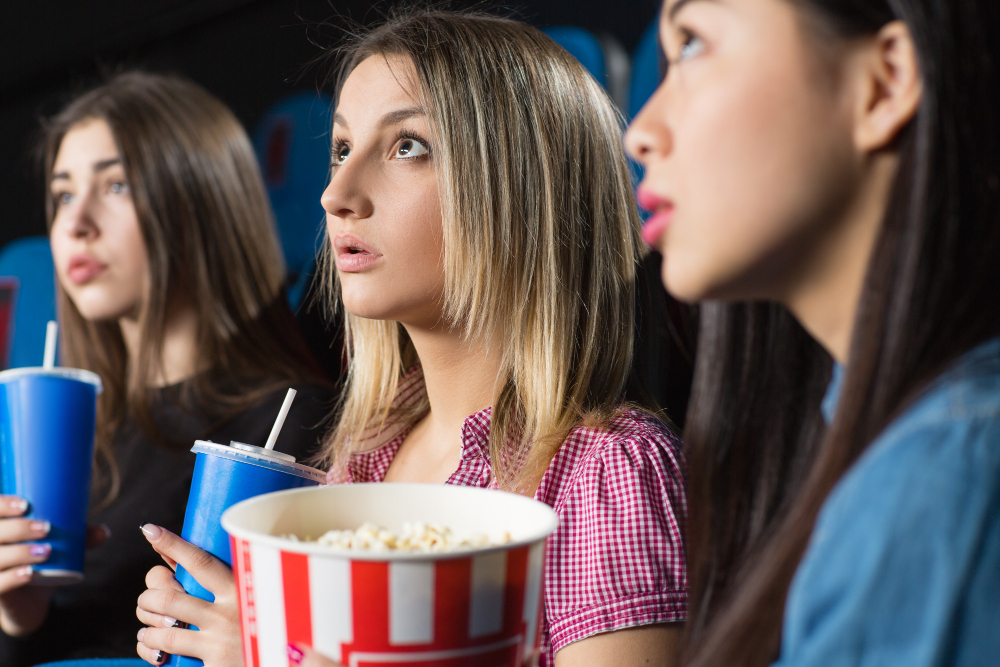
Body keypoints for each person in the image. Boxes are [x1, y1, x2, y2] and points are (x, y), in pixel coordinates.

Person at [133, 9, 689, 667]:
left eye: (407, 146)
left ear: (522, 187)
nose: (336, 193)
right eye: (342, 149)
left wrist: (267, 655)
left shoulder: (607, 473)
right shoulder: (362, 457)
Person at [625, 0, 1000, 665]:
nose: (641, 133)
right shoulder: (887, 437)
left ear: (884, 83)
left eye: (692, 46)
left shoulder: (944, 481)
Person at [0, 72, 336, 666]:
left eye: (118, 185)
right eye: (63, 195)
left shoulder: (286, 423)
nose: (75, 225)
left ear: (202, 202)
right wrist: (18, 614)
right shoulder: (74, 423)